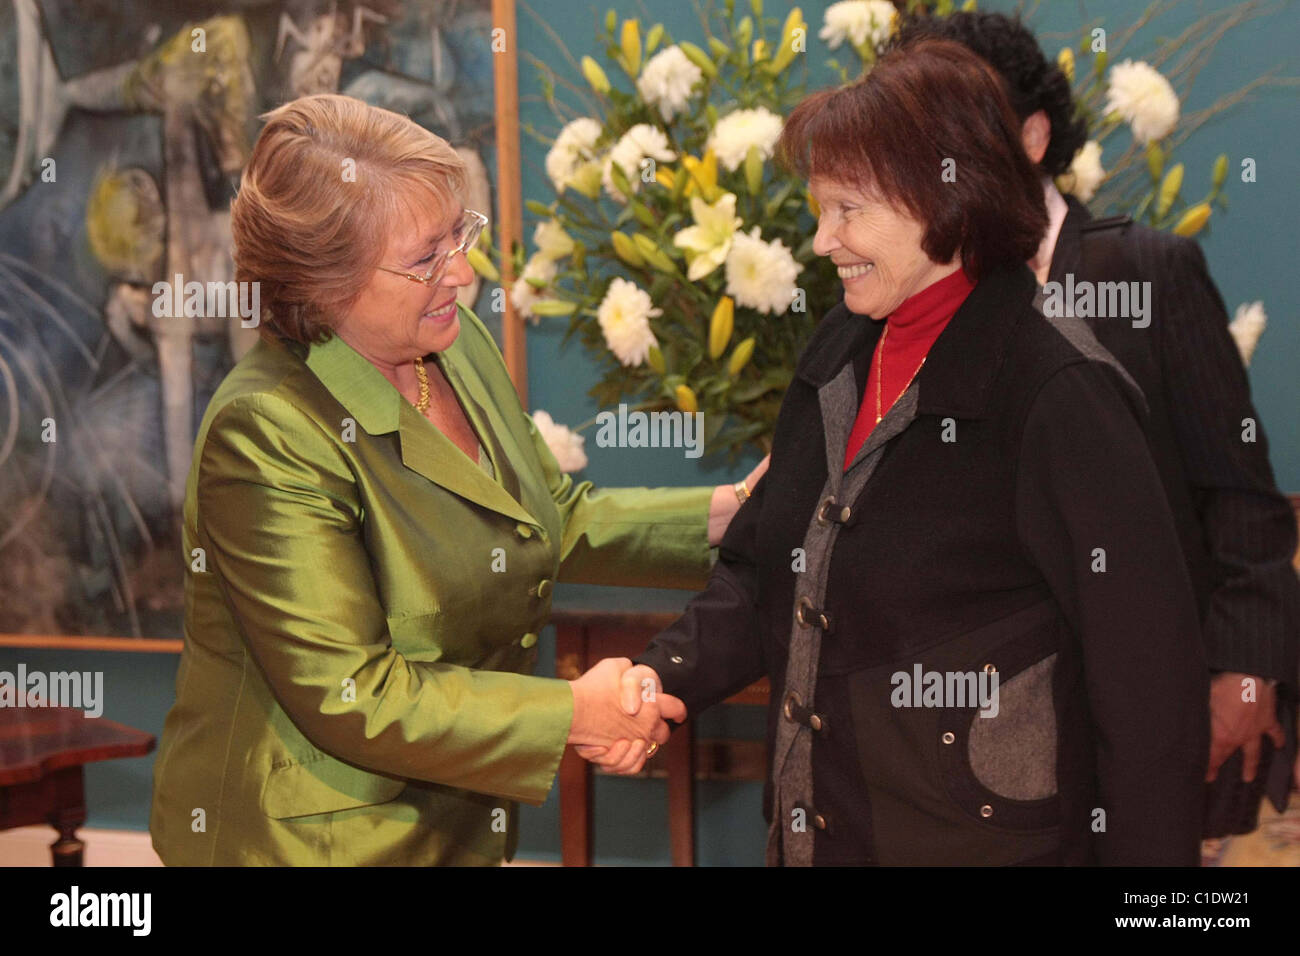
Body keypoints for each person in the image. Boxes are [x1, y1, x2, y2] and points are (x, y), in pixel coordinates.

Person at [584, 39, 1209, 865]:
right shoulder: (840, 348)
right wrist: (658, 678)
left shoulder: (1058, 390)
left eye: (847, 210)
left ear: (947, 199)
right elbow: (764, 569)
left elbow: (1148, 692)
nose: (819, 241)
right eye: (818, 210)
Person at [149, 93, 765, 865]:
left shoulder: (454, 341)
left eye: (458, 235)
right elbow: (354, 693)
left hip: (458, 823)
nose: (463, 271)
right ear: (321, 283)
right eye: (424, 257)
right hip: (311, 841)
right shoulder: (267, 430)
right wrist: (570, 712)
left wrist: (740, 513)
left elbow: (548, 518)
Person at [893, 9, 1299, 838]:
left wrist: (1247, 675)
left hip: (1153, 718)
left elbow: (1243, 501)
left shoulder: (1146, 273)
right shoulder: (899, 296)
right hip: (979, 745)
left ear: (1032, 135)